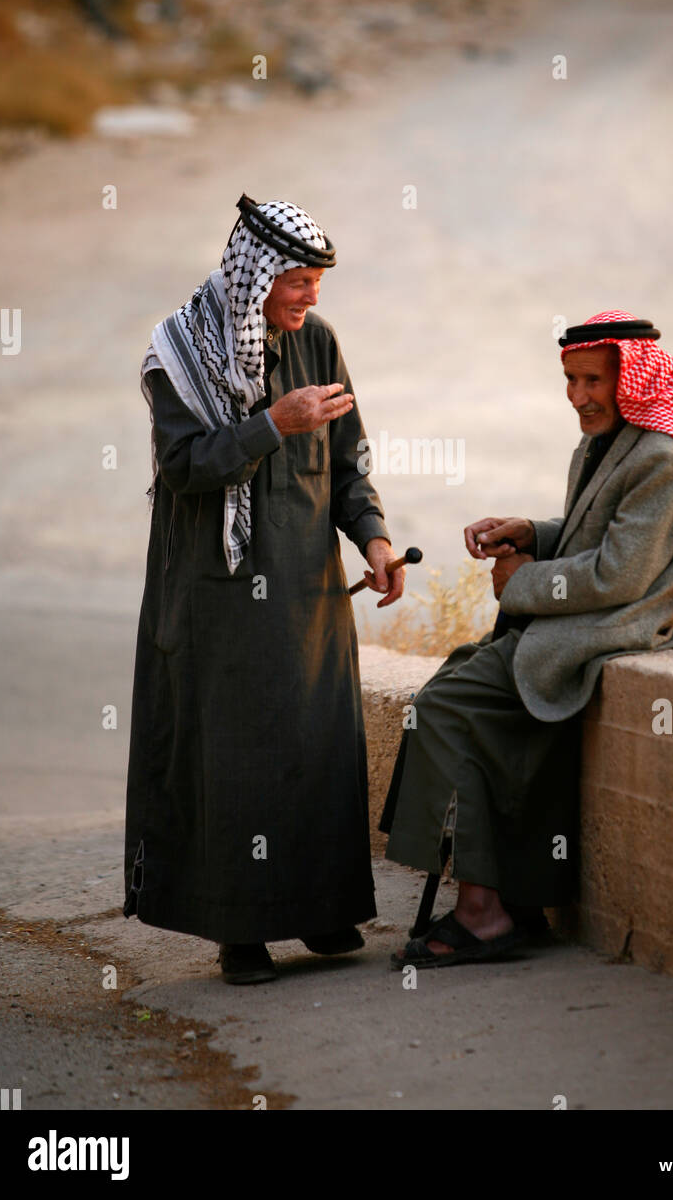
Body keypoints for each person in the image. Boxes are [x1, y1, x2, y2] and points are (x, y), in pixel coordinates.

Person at [383, 309, 673, 969]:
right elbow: (594, 533)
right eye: (569, 381)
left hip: (608, 634)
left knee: (442, 708)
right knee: (454, 697)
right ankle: (507, 903)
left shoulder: (659, 456)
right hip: (574, 624)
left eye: (590, 381)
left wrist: (521, 581)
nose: (577, 397)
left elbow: (618, 574)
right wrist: (532, 532)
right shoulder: (609, 440)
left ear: (629, 377)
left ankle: (483, 913)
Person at [123, 194, 404, 985]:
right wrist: (272, 424)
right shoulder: (180, 349)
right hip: (217, 598)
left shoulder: (317, 342)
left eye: (318, 283)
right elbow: (184, 468)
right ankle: (239, 934)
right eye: (299, 282)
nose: (311, 298)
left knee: (318, 748)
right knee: (234, 760)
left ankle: (321, 912)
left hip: (308, 596)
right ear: (258, 275)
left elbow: (348, 462)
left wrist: (376, 539)